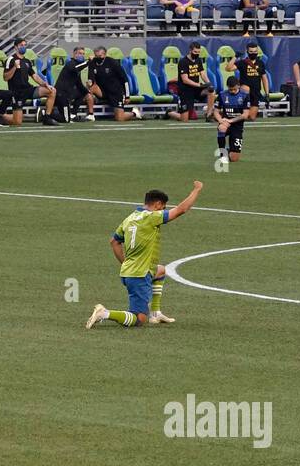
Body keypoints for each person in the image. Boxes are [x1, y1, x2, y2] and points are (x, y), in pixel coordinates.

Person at [86, 182, 203, 329]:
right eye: (163, 207)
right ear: (158, 204)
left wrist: (125, 263)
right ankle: (105, 313)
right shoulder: (151, 217)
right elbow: (182, 209)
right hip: (139, 275)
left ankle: (155, 313)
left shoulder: (129, 218)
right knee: (139, 319)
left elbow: (114, 242)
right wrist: (196, 190)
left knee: (160, 270)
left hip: (130, 271)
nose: (162, 211)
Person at [4, 38, 56, 126]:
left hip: (28, 90)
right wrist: (14, 67)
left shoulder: (27, 61)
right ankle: (0, 116)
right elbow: (5, 77)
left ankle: (46, 117)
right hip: (17, 93)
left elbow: (34, 76)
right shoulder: (11, 59)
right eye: (21, 45)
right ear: (16, 47)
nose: (23, 47)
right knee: (17, 123)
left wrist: (45, 84)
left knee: (52, 91)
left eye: (25, 45)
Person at [87, 46, 140, 121]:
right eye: (96, 56)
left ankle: (134, 113)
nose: (97, 58)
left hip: (115, 93)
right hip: (102, 92)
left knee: (119, 118)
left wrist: (127, 96)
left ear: (105, 55)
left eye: (100, 56)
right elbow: (91, 78)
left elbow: (125, 80)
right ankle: (90, 114)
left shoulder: (113, 63)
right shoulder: (93, 63)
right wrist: (89, 84)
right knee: (90, 87)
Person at [166, 42, 213, 122]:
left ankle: (208, 116)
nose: (197, 54)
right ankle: (169, 113)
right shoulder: (183, 62)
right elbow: (185, 80)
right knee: (184, 119)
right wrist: (198, 85)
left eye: (198, 52)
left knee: (211, 91)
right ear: (190, 50)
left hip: (196, 90)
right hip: (186, 91)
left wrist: (208, 83)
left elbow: (202, 73)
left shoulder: (198, 60)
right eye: (195, 52)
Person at [213, 75, 253, 164]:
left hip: (237, 126)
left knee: (234, 159)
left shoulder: (245, 95)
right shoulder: (222, 95)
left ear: (238, 86)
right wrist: (221, 121)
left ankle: (229, 150)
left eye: (234, 89)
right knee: (221, 128)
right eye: (230, 89)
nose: (233, 91)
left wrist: (230, 121)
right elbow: (216, 111)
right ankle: (222, 153)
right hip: (226, 123)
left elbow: (245, 115)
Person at [53, 46, 94, 122]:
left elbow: (79, 84)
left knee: (82, 92)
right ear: (75, 54)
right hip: (61, 94)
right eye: (80, 53)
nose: (82, 55)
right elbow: (77, 68)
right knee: (66, 119)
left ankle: (73, 114)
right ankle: (45, 114)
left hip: (67, 94)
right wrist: (88, 62)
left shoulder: (77, 67)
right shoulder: (71, 64)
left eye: (83, 54)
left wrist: (87, 92)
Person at [236, 40, 271, 112]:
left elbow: (264, 79)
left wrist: (267, 94)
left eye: (255, 51)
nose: (253, 53)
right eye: (251, 52)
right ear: (247, 52)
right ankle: (240, 108)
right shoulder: (242, 62)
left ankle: (247, 113)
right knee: (245, 89)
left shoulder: (260, 63)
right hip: (245, 89)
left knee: (252, 117)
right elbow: (228, 68)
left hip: (256, 91)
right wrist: (234, 57)